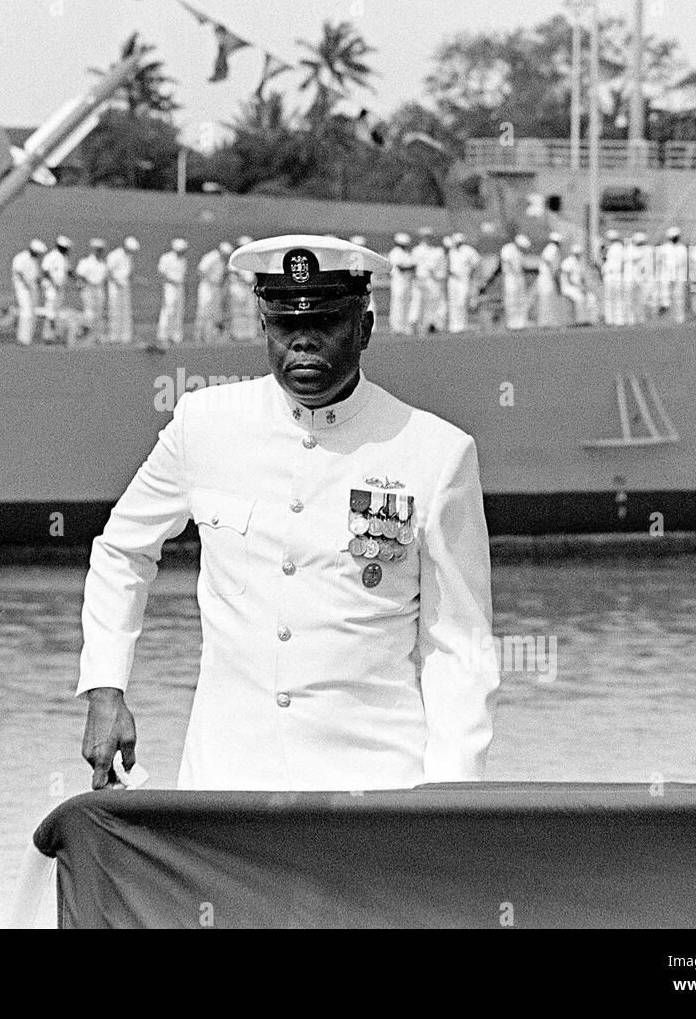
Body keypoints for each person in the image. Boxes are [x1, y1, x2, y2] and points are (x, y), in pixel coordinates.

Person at [78, 233, 499, 791]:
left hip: (373, 783)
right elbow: (122, 551)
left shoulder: (435, 453)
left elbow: (459, 642)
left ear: (365, 328)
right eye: (285, 327)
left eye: (324, 324)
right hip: (226, 783)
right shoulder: (204, 424)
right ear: (263, 328)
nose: (303, 343)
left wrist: (450, 793)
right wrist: (106, 688)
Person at [411, 229, 447, 335]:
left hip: (429, 280)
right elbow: (413, 266)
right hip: (420, 279)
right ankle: (415, 324)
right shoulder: (417, 250)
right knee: (418, 303)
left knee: (429, 304)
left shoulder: (434, 251)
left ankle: (428, 325)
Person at [11, 239, 46, 346]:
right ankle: (23, 339)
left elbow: (36, 276)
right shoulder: (21, 257)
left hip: (33, 289)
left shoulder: (35, 260)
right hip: (23, 289)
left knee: (33, 313)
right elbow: (18, 272)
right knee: (26, 312)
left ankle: (28, 339)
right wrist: (27, 285)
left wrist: (40, 284)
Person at [156, 237, 189, 346]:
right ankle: (163, 335)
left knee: (179, 310)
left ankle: (176, 335)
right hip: (170, 287)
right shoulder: (166, 258)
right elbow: (161, 272)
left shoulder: (183, 259)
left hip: (180, 286)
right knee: (168, 310)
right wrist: (171, 280)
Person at [75, 238, 109, 341]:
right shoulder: (85, 262)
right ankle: (86, 333)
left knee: (99, 312)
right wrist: (86, 283)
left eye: (101, 250)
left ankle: (96, 335)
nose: (99, 252)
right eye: (97, 249)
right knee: (89, 312)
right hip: (88, 289)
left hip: (99, 289)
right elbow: (80, 274)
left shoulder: (103, 264)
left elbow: (104, 277)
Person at [194, 241, 229, 341]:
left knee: (214, 311)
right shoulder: (210, 257)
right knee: (204, 309)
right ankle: (199, 335)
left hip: (216, 287)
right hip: (207, 287)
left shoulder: (222, 260)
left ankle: (209, 335)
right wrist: (210, 281)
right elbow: (200, 271)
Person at [40, 236, 72, 343]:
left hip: (60, 287)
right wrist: (54, 282)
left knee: (57, 311)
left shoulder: (64, 258)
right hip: (51, 288)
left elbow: (67, 270)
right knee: (50, 311)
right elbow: (45, 270)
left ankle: (56, 335)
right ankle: (47, 336)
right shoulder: (51, 256)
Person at [499, 233, 533, 330]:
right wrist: (515, 272)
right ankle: (512, 324)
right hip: (510, 277)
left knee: (521, 300)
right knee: (511, 300)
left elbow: (522, 266)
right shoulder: (507, 249)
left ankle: (521, 323)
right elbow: (507, 262)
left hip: (519, 277)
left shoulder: (520, 253)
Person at [227, 235, 259, 341]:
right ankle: (237, 334)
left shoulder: (252, 259)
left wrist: (252, 281)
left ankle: (251, 334)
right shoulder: (234, 258)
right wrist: (244, 279)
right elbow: (233, 272)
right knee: (237, 312)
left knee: (250, 311)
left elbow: (255, 274)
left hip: (249, 288)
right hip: (237, 288)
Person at [106, 237, 136, 344]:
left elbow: (129, 272)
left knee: (126, 310)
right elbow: (109, 271)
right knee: (115, 310)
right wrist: (117, 281)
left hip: (125, 286)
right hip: (115, 287)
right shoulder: (114, 255)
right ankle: (114, 336)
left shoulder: (129, 256)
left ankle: (125, 336)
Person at [655, 226, 685, 320]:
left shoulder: (682, 248)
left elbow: (683, 262)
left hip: (679, 274)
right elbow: (658, 262)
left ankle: (679, 317)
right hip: (666, 274)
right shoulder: (663, 248)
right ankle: (665, 307)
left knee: (679, 296)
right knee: (665, 294)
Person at [387, 232, 414, 334]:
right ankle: (396, 327)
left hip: (407, 281)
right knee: (397, 303)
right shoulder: (395, 252)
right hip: (398, 281)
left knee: (406, 303)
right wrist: (411, 267)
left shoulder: (406, 253)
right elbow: (401, 268)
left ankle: (405, 326)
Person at [558, 242, 587, 324]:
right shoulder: (568, 261)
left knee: (587, 298)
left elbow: (581, 278)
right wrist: (578, 286)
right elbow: (567, 277)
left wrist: (582, 286)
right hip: (569, 287)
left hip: (576, 286)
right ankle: (580, 321)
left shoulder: (578, 263)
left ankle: (582, 320)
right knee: (580, 298)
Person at [601, 230, 625, 326]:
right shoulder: (621, 248)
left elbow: (603, 260)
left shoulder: (607, 249)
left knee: (609, 299)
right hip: (618, 275)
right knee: (618, 298)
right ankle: (619, 320)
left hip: (609, 275)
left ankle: (609, 320)